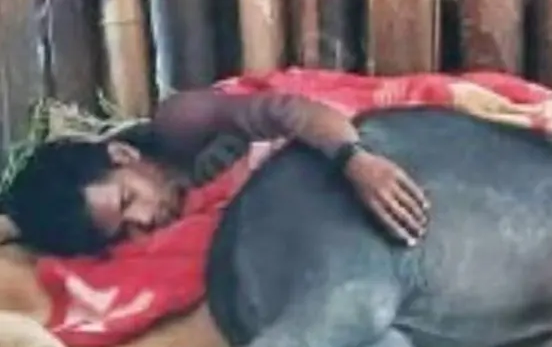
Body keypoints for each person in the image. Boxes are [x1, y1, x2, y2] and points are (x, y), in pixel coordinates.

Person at [0, 88, 430, 256]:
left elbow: (286, 110)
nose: (144, 223)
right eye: (123, 232)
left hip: (337, 132)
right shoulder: (168, 228)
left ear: (123, 154)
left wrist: (354, 160)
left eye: (128, 200)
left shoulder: (180, 124)